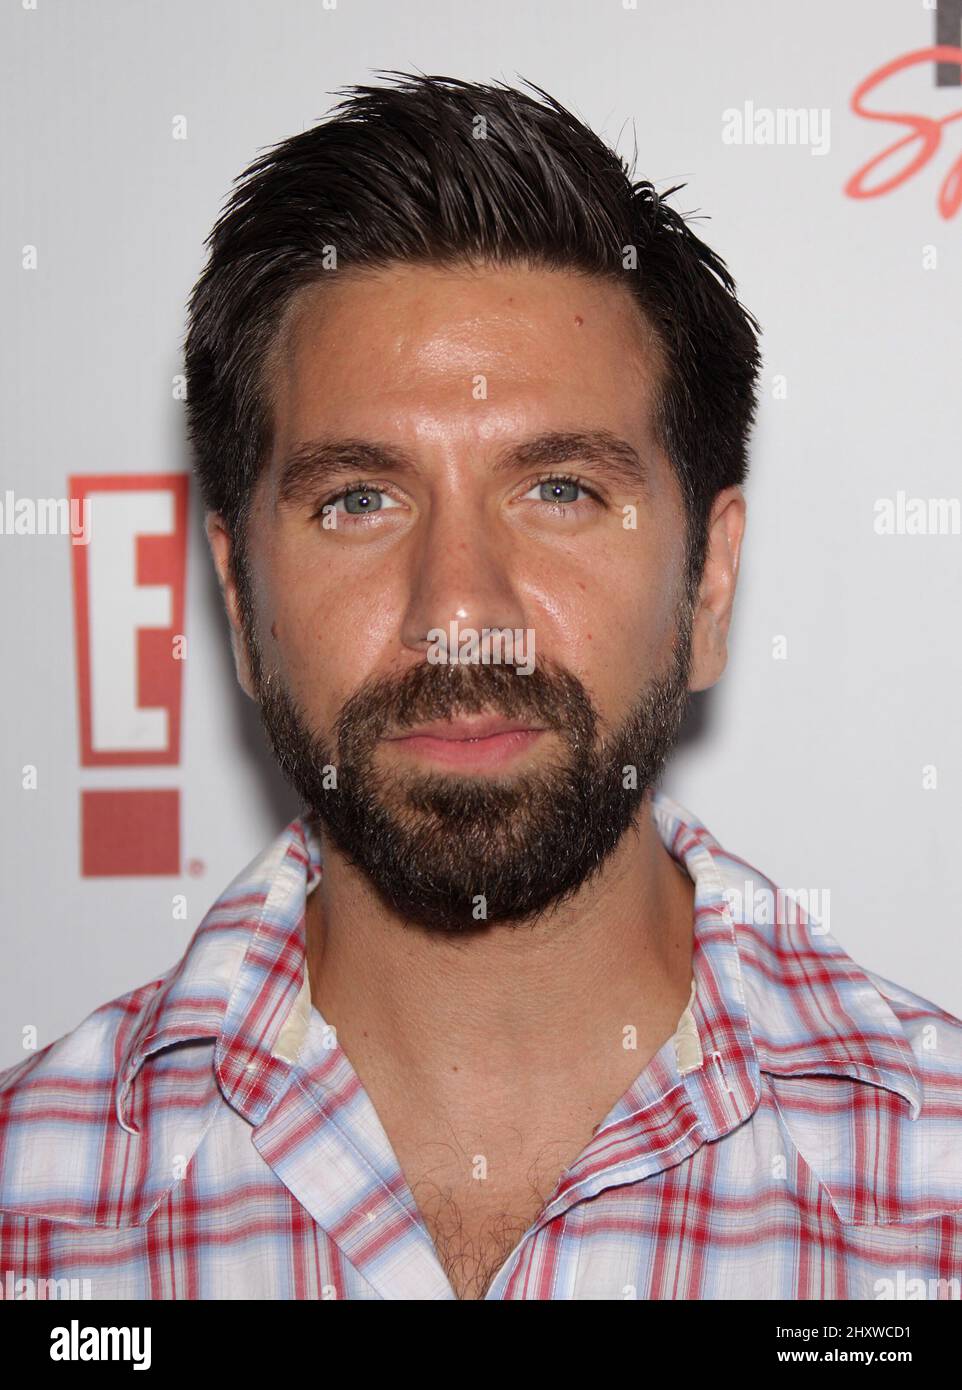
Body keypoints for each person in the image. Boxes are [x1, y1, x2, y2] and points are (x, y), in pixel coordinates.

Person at [2, 71, 961, 1302]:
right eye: (359, 499)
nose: (459, 610)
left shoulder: (932, 1198)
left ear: (710, 584)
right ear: (239, 604)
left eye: (559, 490)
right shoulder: (32, 1213)